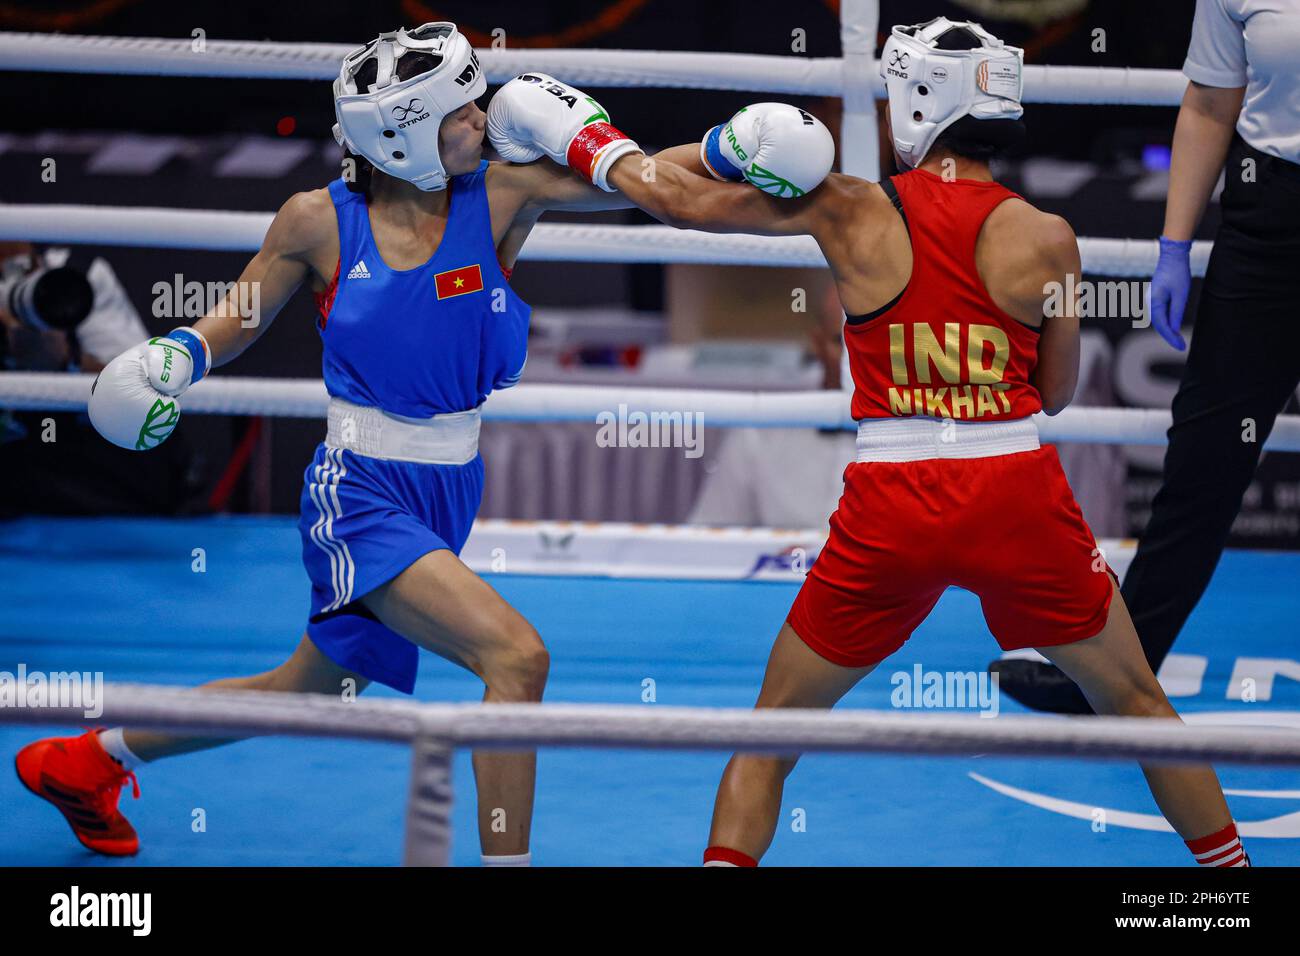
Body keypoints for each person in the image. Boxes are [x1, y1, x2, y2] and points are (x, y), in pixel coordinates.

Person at [488, 15, 1249, 866]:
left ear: (920, 103)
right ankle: (1227, 896)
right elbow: (1057, 394)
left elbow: (674, 199)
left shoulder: (849, 208)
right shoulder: (1050, 239)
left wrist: (636, 139)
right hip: (1014, 496)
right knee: (1141, 706)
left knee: (769, 741)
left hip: (893, 506)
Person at [13, 22, 700, 864]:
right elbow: (241, 317)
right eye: (461, 110)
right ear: (403, 134)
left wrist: (728, 149)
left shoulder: (502, 195)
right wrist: (174, 354)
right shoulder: (319, 221)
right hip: (360, 492)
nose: (482, 117)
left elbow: (647, 183)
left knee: (315, 689)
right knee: (517, 659)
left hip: (449, 485)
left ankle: (85, 761)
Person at [992, 0, 1300, 715]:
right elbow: (1211, 101)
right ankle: (1113, 682)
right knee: (1205, 459)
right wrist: (1172, 246)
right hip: (1270, 217)